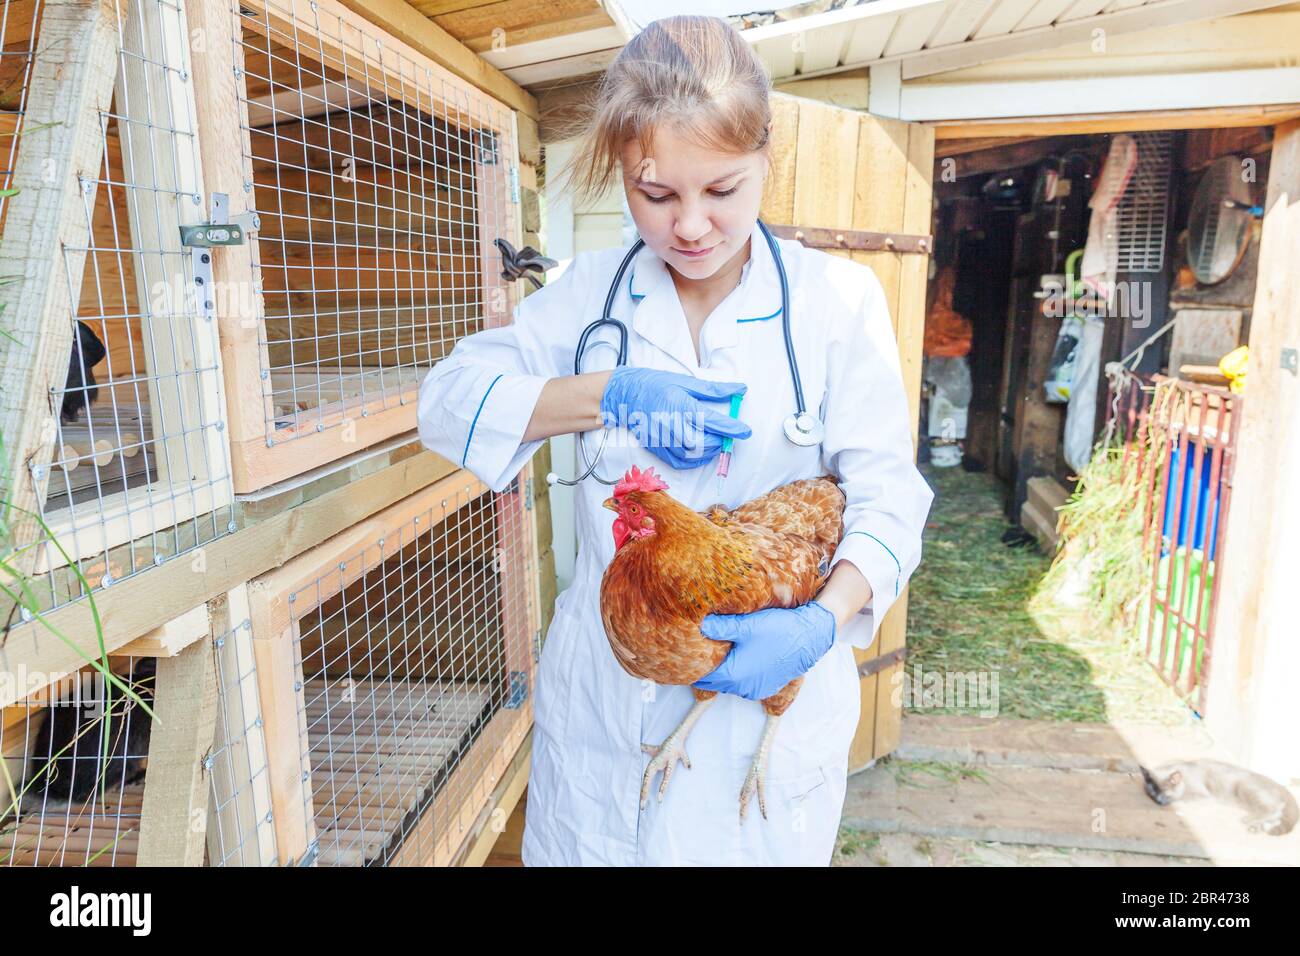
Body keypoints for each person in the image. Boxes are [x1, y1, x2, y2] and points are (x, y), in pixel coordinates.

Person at [417, 14, 933, 866]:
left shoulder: (835, 304)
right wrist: (606, 392)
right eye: (655, 195)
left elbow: (890, 495)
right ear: (623, 174)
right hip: (605, 720)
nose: (690, 225)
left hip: (761, 736)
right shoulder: (587, 298)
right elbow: (447, 401)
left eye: (722, 189)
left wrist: (820, 622)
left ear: (768, 157)